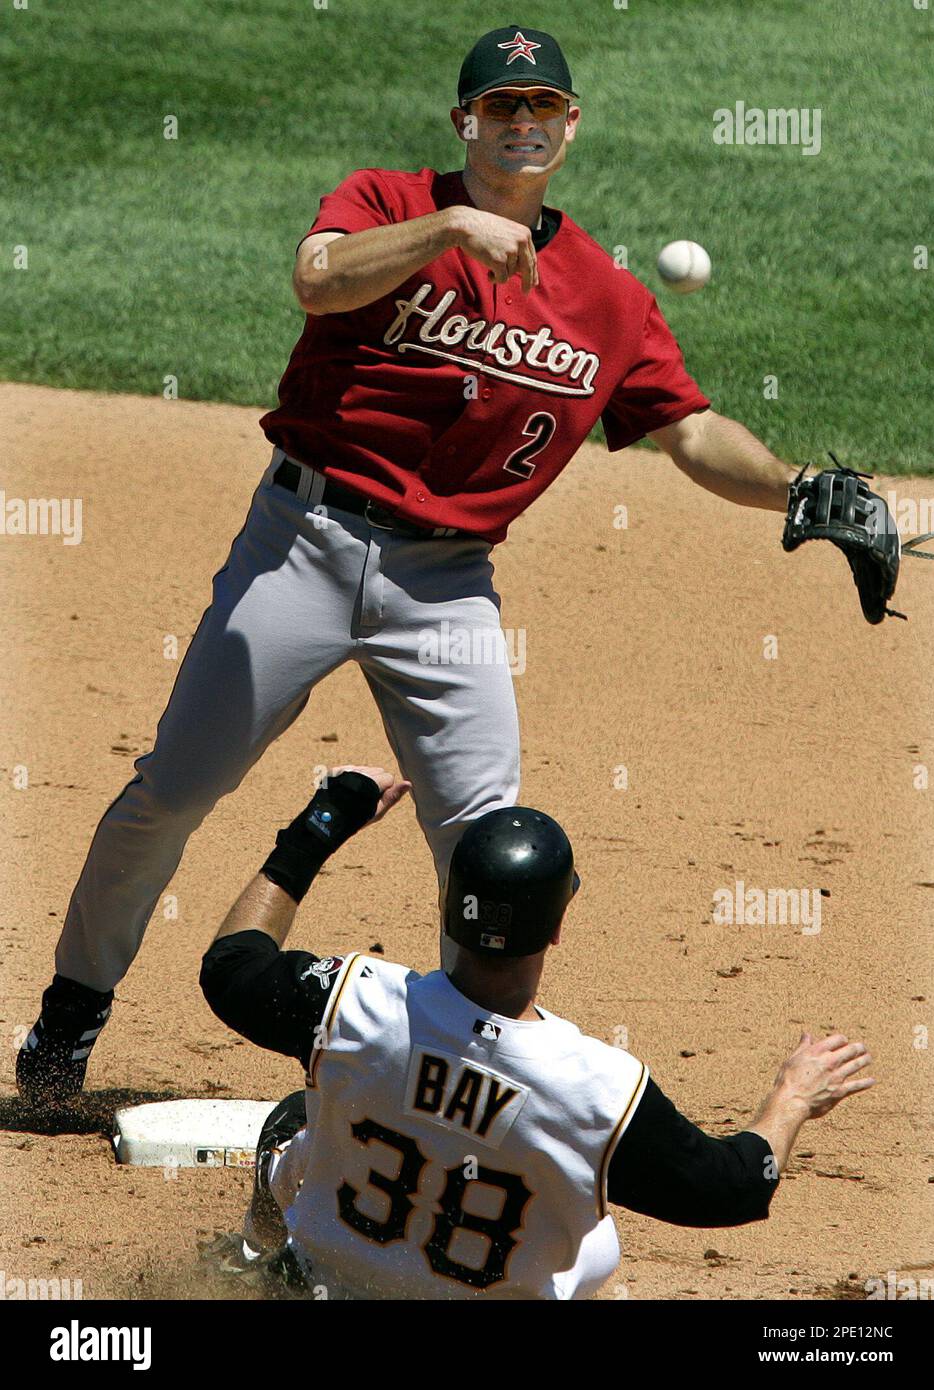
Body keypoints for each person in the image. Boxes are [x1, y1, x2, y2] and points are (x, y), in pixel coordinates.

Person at [19, 25, 797, 1104]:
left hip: (447, 588)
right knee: (173, 791)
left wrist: (798, 492)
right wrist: (449, 228)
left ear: (570, 126)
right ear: (464, 124)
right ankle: (66, 1023)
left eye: (542, 109)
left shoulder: (608, 301)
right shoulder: (387, 201)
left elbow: (691, 430)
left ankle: (470, 1082)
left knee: (491, 848)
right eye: (499, 108)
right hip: (301, 545)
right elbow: (317, 278)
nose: (521, 125)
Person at [198, 767, 875, 1300]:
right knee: (596, 1236)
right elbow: (735, 1187)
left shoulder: (354, 1005)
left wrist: (324, 822)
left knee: (292, 1120)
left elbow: (231, 968)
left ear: (445, 904)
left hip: (329, 1290)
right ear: (555, 928)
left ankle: (262, 1259)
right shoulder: (596, 1089)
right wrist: (791, 1097)